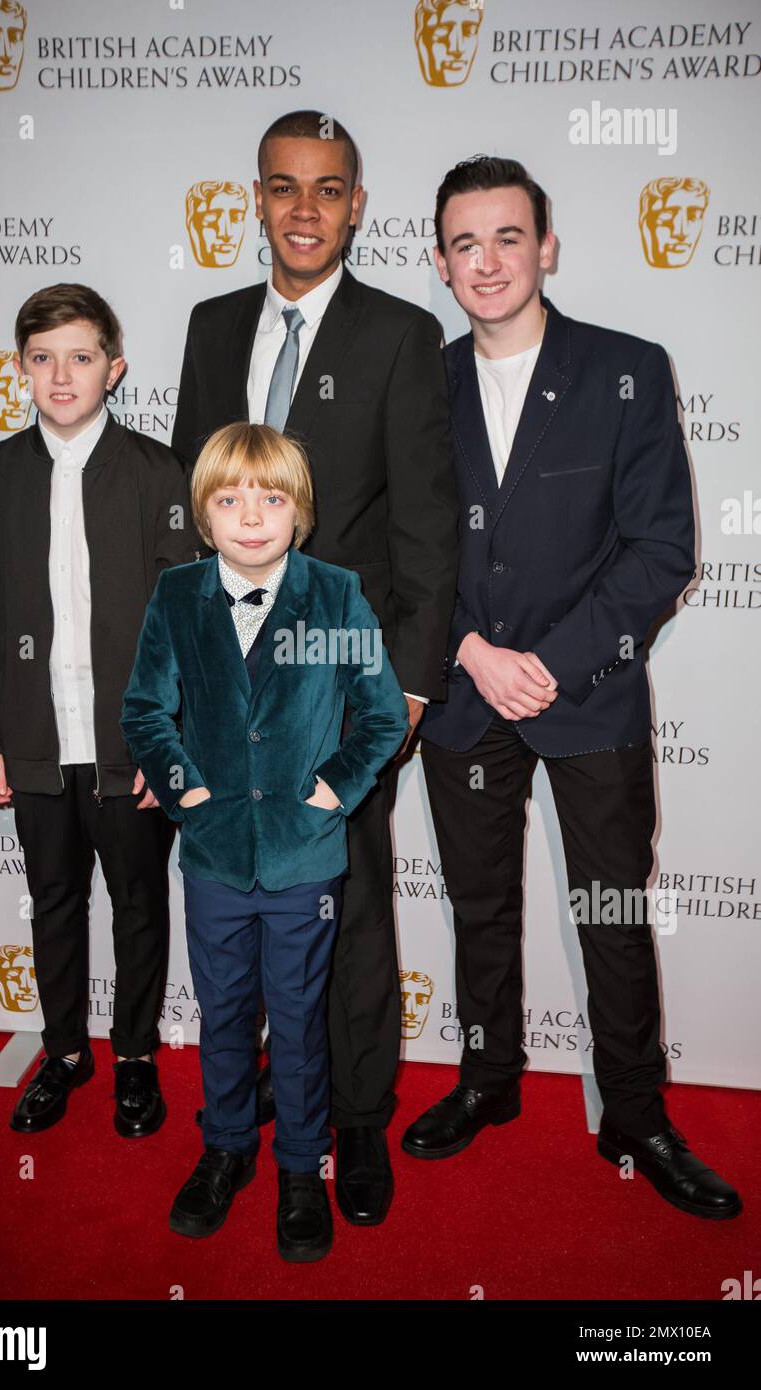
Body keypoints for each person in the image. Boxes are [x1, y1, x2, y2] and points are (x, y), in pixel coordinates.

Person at [407, 156, 742, 1221]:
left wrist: (548, 664)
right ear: (439, 262)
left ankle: (634, 1112)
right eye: (465, 242)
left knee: (607, 911)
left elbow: (660, 550)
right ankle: (485, 1078)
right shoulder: (422, 387)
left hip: (587, 697)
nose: (488, 260)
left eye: (508, 236)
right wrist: (465, 649)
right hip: (463, 697)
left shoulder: (624, 369)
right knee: (478, 907)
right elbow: (396, 552)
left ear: (544, 247)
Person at [170, 109, 458, 1225]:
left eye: (328, 188)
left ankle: (352, 1122)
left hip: (341, 676)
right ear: (255, 197)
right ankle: (233, 1133)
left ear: (355, 205)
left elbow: (428, 528)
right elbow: (187, 518)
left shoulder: (395, 335)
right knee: (228, 914)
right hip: (221, 683)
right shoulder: (207, 327)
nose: (304, 208)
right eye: (284, 187)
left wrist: (412, 682)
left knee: (349, 909)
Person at [120, 422, 408, 1261]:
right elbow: (144, 711)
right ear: (204, 515)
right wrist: (188, 794)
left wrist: (334, 790)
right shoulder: (177, 596)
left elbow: (384, 714)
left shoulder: (335, 593)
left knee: (299, 1016)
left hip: (304, 858)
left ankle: (297, 1166)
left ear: (300, 511)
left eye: (272, 498)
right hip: (211, 856)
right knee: (222, 1015)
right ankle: (226, 1148)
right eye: (230, 499)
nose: (252, 516)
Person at [0, 283, 189, 1137]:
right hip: (35, 737)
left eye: (81, 357)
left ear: (113, 368)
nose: (62, 375)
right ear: (20, 369)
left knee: (138, 903)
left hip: (131, 742)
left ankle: (133, 1058)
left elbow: (186, 624)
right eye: (44, 358)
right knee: (51, 901)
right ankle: (62, 1054)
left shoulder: (161, 472)